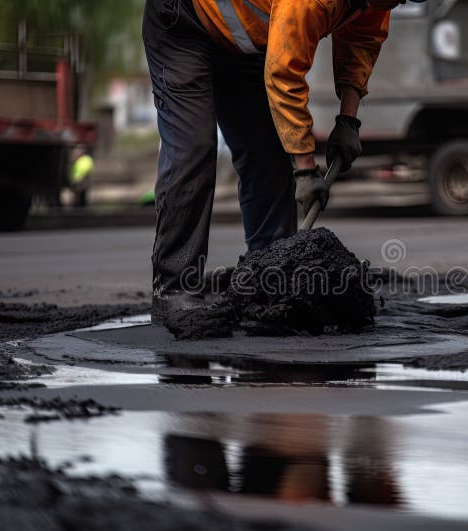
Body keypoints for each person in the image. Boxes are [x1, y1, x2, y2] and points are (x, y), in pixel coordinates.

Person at [143, 0, 422, 323]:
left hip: (247, 44)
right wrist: (305, 169)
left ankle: (267, 279)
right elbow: (284, 74)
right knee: (194, 150)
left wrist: (348, 120)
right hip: (184, 23)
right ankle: (174, 291)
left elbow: (361, 43)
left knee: (270, 156)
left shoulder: (376, 2)